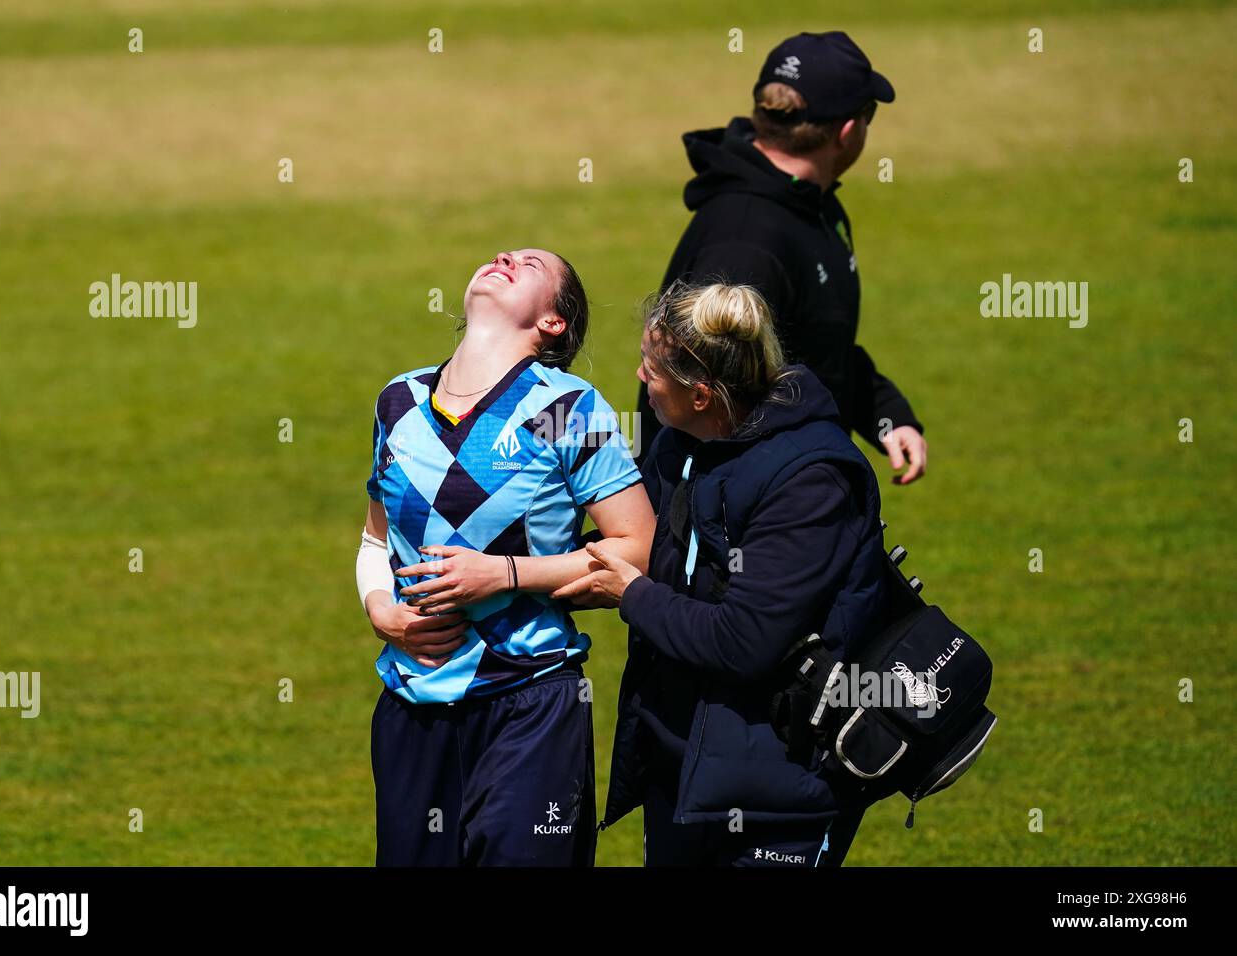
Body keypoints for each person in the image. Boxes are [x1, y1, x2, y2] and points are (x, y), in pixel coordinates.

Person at [555, 281, 887, 866]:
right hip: (682, 767)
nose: (639, 377)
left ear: (702, 393)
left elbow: (744, 641)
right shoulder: (680, 444)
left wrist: (630, 593)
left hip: (776, 789)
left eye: (652, 369)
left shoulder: (811, 480)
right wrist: (507, 574)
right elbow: (640, 548)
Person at [357, 248, 654, 866]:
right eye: (504, 255)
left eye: (530, 265)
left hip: (531, 704)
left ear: (553, 323)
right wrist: (380, 609)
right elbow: (375, 541)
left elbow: (638, 549)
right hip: (412, 707)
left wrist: (504, 575)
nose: (505, 258)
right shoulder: (398, 402)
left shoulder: (569, 408)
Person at [636, 31, 927, 487]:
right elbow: (695, 400)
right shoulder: (745, 244)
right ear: (849, 130)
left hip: (783, 487)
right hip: (746, 514)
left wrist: (885, 413)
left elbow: (814, 341)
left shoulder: (810, 204)